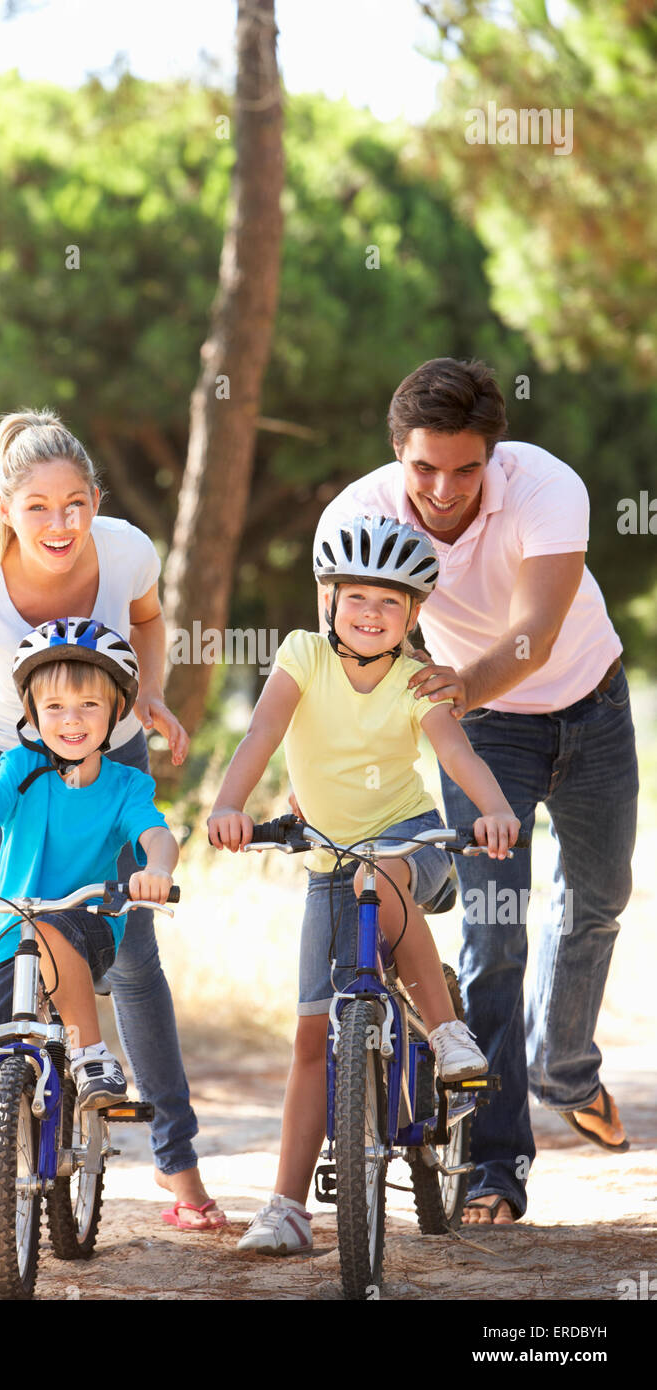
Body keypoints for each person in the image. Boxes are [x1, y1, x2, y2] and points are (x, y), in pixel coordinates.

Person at [0, 410, 224, 1276]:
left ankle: (175, 1166)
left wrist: (141, 697)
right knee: (6, 936)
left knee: (133, 958)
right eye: (37, 508)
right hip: (7, 753)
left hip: (109, 731)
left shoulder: (130, 550)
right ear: (4, 509)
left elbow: (147, 623)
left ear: (98, 503)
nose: (61, 524)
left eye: (76, 504)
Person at [315, 358, 638, 1226]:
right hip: (486, 733)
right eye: (425, 467)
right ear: (397, 452)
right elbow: (348, 657)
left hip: (590, 707)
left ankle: (563, 1067)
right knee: (496, 937)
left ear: (494, 456)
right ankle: (496, 1167)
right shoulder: (359, 515)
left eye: (467, 468)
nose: (447, 488)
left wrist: (456, 686)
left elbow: (531, 638)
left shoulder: (545, 487)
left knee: (600, 899)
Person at [207, 514, 520, 1256]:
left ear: (414, 614)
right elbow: (262, 733)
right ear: (329, 600)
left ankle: (445, 1030)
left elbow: (455, 752)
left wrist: (497, 809)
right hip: (327, 858)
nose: (371, 614)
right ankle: (285, 1207)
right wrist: (228, 803)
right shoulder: (303, 657)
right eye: (357, 599)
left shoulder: (419, 679)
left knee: (380, 873)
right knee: (311, 1036)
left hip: (414, 845)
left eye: (390, 603)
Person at [0, 621, 181, 1271]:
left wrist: (154, 868)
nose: (70, 720)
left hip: (87, 925)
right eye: (53, 707)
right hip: (6, 937)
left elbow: (157, 835)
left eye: (88, 706)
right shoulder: (19, 770)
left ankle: (92, 1055)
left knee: (47, 928)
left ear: (116, 712)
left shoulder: (126, 786)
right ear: (29, 713)